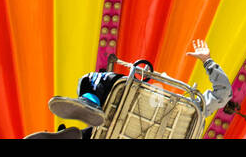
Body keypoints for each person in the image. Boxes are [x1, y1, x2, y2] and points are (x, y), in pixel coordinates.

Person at [31, 39, 232, 139]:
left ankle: (88, 103)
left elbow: (223, 94)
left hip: (129, 105)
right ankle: (83, 130)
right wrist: (207, 61)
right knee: (104, 129)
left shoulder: (186, 105)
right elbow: (224, 94)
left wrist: (206, 60)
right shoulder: (195, 110)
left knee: (96, 80)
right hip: (130, 130)